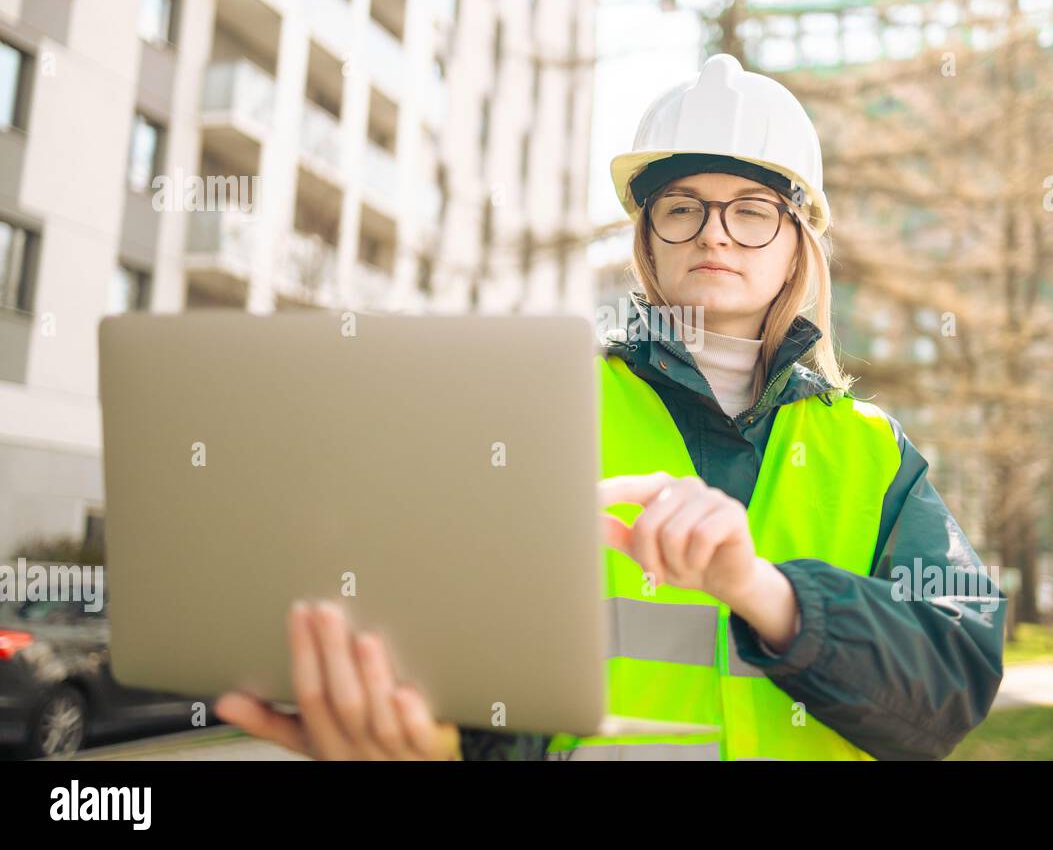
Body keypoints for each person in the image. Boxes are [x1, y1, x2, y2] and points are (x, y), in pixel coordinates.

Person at [215, 53, 1005, 761]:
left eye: (753, 209)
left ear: (798, 239)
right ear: (649, 237)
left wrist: (766, 591)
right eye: (683, 206)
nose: (715, 235)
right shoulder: (545, 413)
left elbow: (953, 681)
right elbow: (483, 680)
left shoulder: (873, 452)